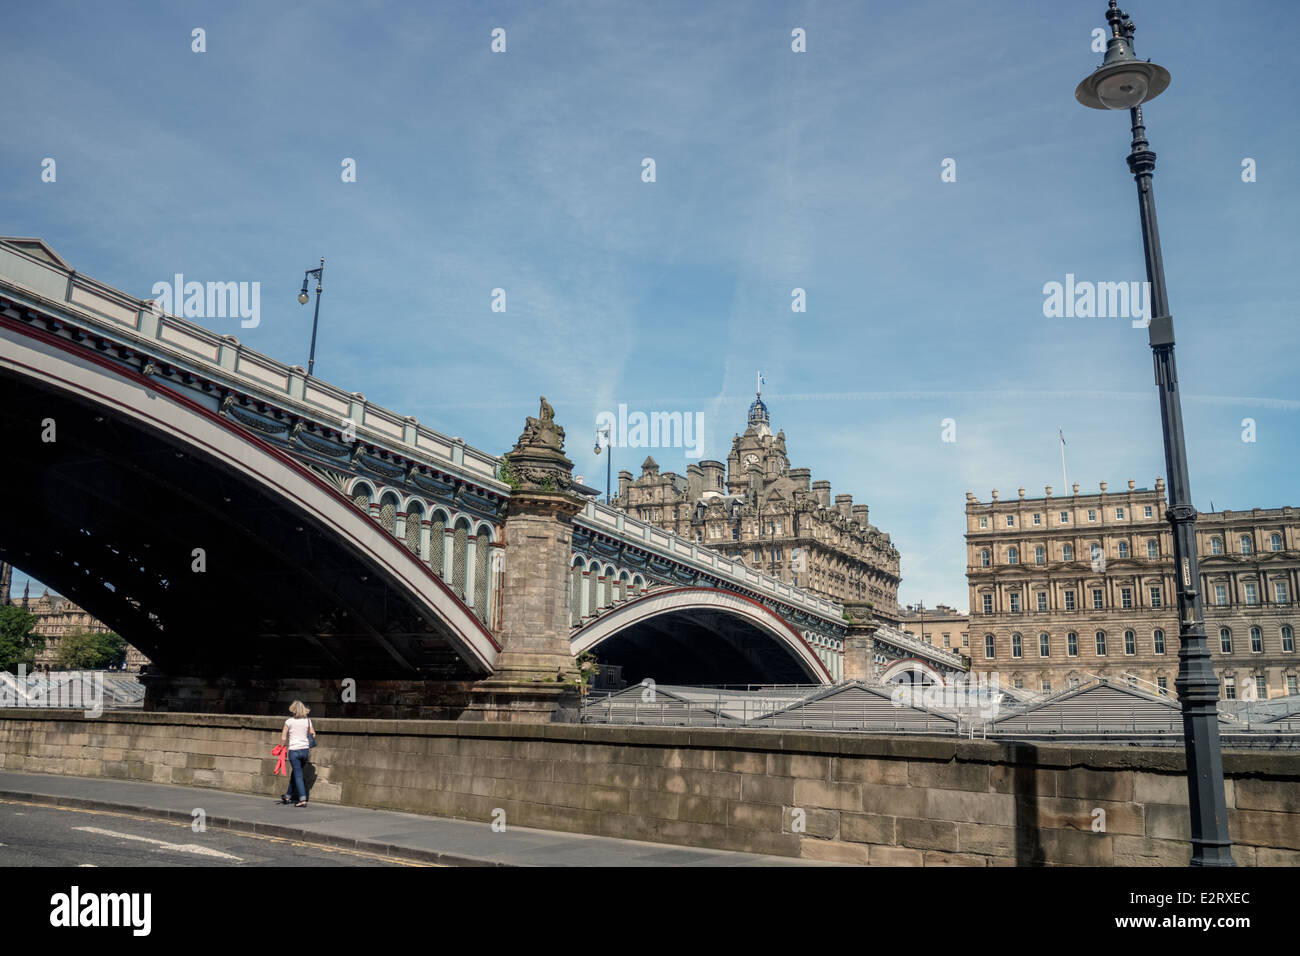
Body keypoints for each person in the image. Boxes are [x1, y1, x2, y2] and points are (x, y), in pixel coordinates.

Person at [279, 700, 317, 807]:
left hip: (294, 751)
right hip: (305, 751)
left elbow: (283, 737)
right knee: (296, 773)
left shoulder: (289, 722)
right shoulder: (308, 721)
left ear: (293, 710)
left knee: (298, 774)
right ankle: (288, 796)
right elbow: (313, 734)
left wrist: (281, 747)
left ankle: (302, 799)